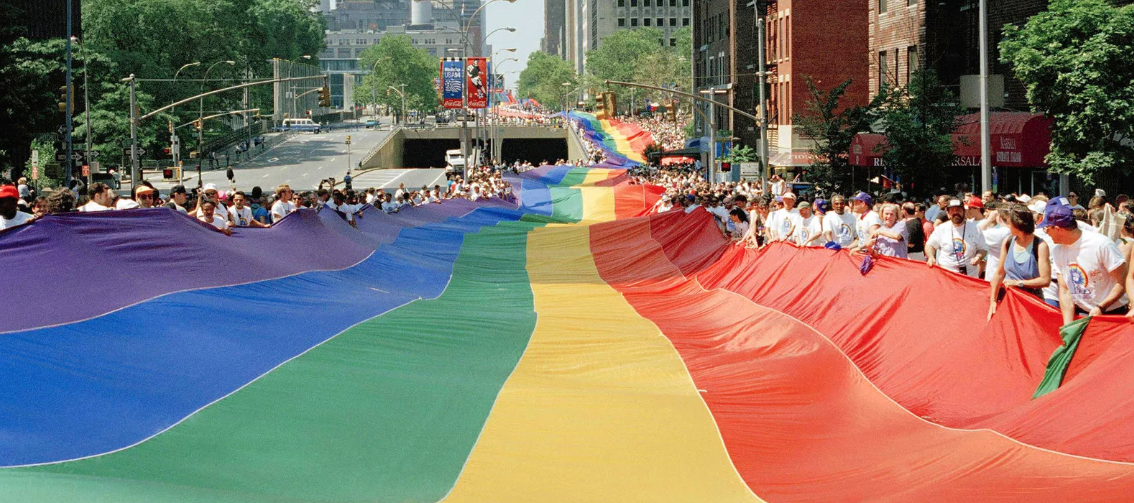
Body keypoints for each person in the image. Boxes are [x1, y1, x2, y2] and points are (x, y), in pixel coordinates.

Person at [1039, 203, 1128, 323]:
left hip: (1113, 315)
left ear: (1058, 229)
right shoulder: (1058, 251)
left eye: (1047, 228)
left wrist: (1102, 306)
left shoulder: (1101, 245)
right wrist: (1068, 326)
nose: (1046, 233)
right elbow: (1065, 290)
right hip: (1083, 314)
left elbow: (1123, 281)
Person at [987, 204, 1051, 320]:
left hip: (1031, 302)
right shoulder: (1008, 242)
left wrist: (1018, 283)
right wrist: (993, 301)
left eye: (1009, 223)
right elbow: (999, 274)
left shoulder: (1040, 246)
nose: (1007, 226)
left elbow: (1045, 280)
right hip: (1010, 300)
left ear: (1018, 225)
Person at [925, 198, 989, 277]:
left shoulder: (975, 228)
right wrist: (931, 257)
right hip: (947, 275)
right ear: (948, 214)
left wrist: (978, 257)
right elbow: (930, 245)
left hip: (969, 275)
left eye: (958, 210)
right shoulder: (941, 229)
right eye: (952, 211)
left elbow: (983, 248)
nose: (955, 213)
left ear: (964, 212)